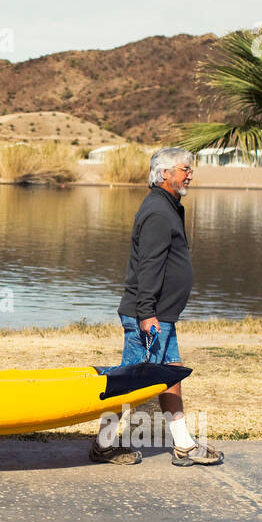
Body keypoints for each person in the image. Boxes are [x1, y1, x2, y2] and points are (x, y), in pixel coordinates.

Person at [90, 147, 223, 467]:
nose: (190, 174)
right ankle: (103, 444)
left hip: (160, 315)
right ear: (165, 174)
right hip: (147, 315)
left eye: (191, 169)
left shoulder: (169, 207)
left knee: (171, 374)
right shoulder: (158, 212)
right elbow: (149, 266)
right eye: (184, 169)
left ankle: (184, 445)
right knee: (128, 383)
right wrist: (147, 313)